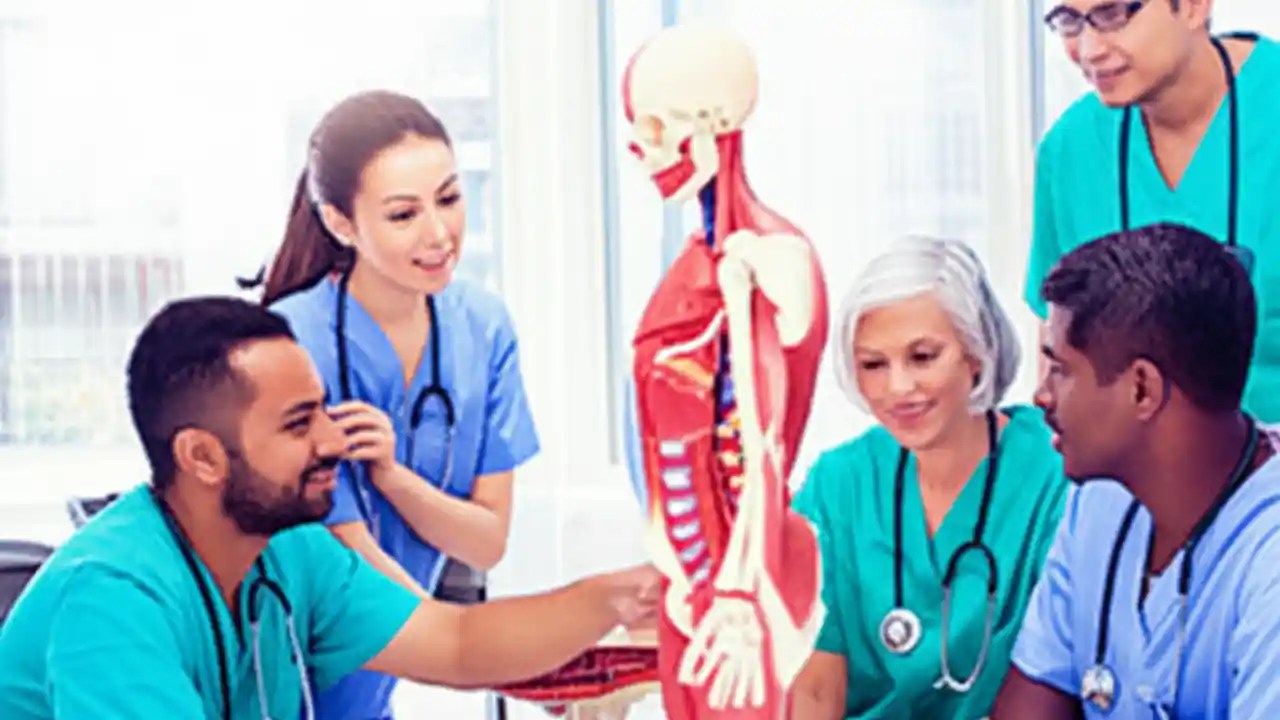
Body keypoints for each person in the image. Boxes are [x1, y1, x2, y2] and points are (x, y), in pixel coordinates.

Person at [0, 297, 660, 720]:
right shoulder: (112, 599)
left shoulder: (289, 549)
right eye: (297, 424)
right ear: (202, 457)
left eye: (322, 408)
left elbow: (459, 646)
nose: (332, 440)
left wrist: (614, 598)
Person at [241, 90, 538, 718]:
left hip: (377, 679)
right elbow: (348, 549)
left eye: (450, 199)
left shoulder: (483, 328)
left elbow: (486, 542)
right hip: (277, 671)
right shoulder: (290, 341)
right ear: (341, 223)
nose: (438, 234)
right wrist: (469, 648)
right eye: (404, 215)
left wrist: (393, 477)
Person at [992, 222, 1280, 718]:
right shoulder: (1098, 500)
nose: (1041, 396)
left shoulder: (1268, 558)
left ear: (1142, 389)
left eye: (1060, 369)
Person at [788, 237, 1069, 719]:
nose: (898, 388)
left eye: (922, 357)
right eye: (874, 365)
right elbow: (814, 689)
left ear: (976, 353)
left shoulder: (1055, 469)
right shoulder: (838, 486)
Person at [1027, 1, 1280, 422]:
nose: (1089, 49)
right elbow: (1059, 353)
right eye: (1069, 21)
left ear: (1195, 7)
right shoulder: (1071, 151)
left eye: (1112, 15)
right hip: (1130, 476)